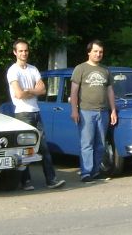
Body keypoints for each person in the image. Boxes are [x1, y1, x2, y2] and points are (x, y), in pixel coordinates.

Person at [7, 39, 65, 191]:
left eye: (26, 50)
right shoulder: (13, 71)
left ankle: (51, 180)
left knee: (44, 148)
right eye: (20, 51)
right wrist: (33, 90)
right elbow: (19, 94)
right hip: (22, 114)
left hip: (36, 112)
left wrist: (29, 91)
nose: (24, 53)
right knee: (25, 150)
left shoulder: (33, 69)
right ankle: (26, 182)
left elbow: (43, 90)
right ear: (15, 52)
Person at [69, 39, 118, 183]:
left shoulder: (105, 70)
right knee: (87, 143)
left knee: (101, 144)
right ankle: (86, 173)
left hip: (103, 112)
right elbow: (74, 91)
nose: (98, 54)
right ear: (89, 52)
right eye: (95, 51)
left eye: (101, 52)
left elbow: (110, 91)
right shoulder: (80, 68)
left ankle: (96, 171)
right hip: (85, 111)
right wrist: (74, 110)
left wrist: (113, 110)